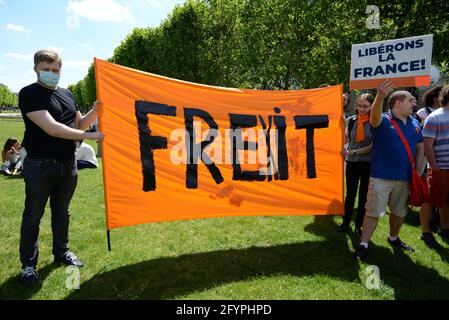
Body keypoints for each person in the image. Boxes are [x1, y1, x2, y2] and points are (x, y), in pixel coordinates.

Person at [18, 49, 104, 286]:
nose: (52, 74)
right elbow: (53, 128)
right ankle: (28, 265)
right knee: (33, 215)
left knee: (62, 212)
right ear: (36, 69)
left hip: (68, 165)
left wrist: (95, 110)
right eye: (46, 69)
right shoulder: (29, 93)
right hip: (39, 165)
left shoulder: (67, 94)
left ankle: (61, 251)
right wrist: (93, 135)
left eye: (56, 70)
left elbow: (79, 123)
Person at [354, 80, 424, 260]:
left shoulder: (415, 123)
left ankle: (393, 238)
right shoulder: (384, 120)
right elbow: (373, 118)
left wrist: (418, 171)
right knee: (373, 212)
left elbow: (420, 147)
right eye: (410, 100)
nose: (414, 103)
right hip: (381, 177)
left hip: (405, 178)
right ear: (397, 103)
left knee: (400, 212)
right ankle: (364, 244)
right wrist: (380, 96)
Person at [337, 93, 374, 238]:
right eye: (359, 106)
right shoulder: (351, 121)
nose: (362, 109)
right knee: (350, 194)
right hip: (352, 163)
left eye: (365, 106)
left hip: (368, 163)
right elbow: (345, 138)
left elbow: (372, 146)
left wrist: (352, 151)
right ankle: (345, 223)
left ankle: (359, 226)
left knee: (364, 196)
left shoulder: (375, 121)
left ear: (372, 106)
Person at [416, 86, 444, 247]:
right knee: (428, 193)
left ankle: (439, 222)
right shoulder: (425, 113)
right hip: (430, 159)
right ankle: (426, 228)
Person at [422, 85, 449, 245]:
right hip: (439, 168)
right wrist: (435, 167)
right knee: (430, 200)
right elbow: (427, 146)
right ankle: (426, 232)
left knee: (447, 200)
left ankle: (445, 228)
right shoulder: (435, 117)